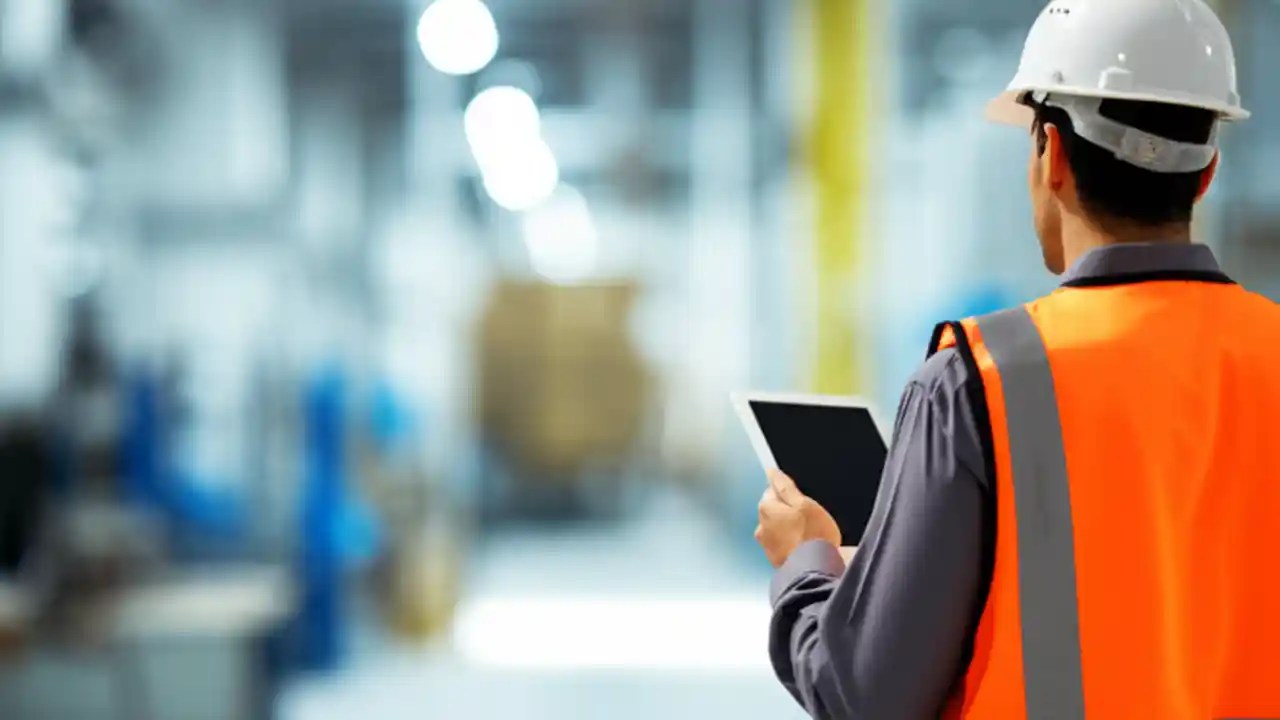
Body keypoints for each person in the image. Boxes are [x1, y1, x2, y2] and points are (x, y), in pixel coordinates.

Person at [755, 1, 1280, 718]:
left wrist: (805, 565)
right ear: (1207, 172)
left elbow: (864, 695)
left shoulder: (982, 378)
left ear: (1052, 155)